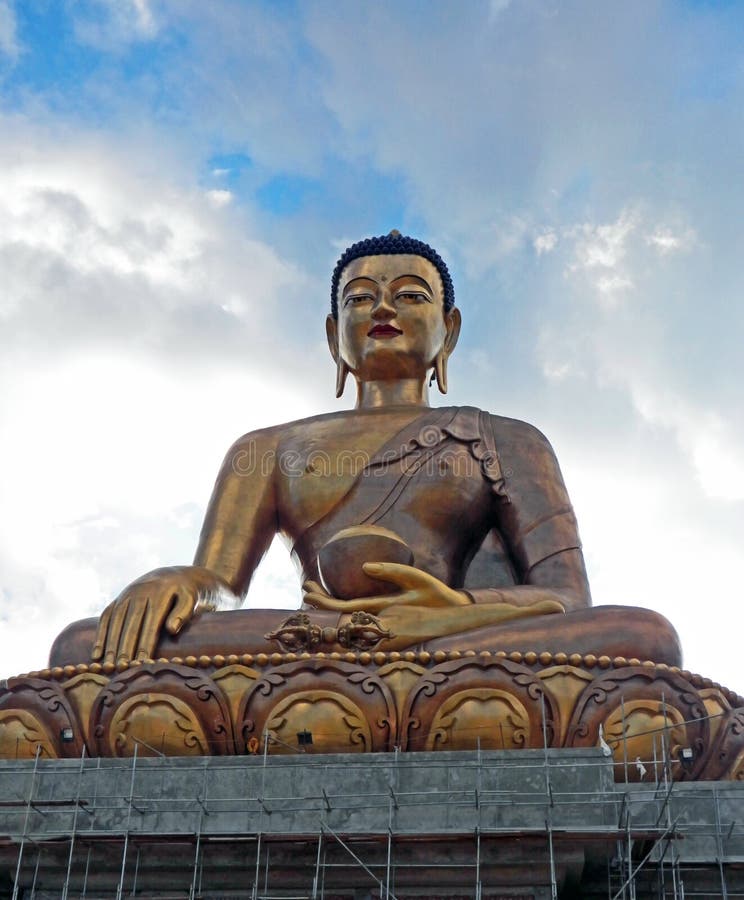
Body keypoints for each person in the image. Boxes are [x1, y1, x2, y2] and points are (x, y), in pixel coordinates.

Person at [50, 233, 681, 669]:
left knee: (643, 637)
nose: (382, 306)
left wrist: (453, 611)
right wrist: (178, 582)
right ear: (334, 337)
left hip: (454, 644)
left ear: (448, 332)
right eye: (359, 298)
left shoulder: (508, 439)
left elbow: (568, 600)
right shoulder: (264, 449)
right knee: (83, 647)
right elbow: (220, 584)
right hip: (312, 644)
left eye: (409, 295)